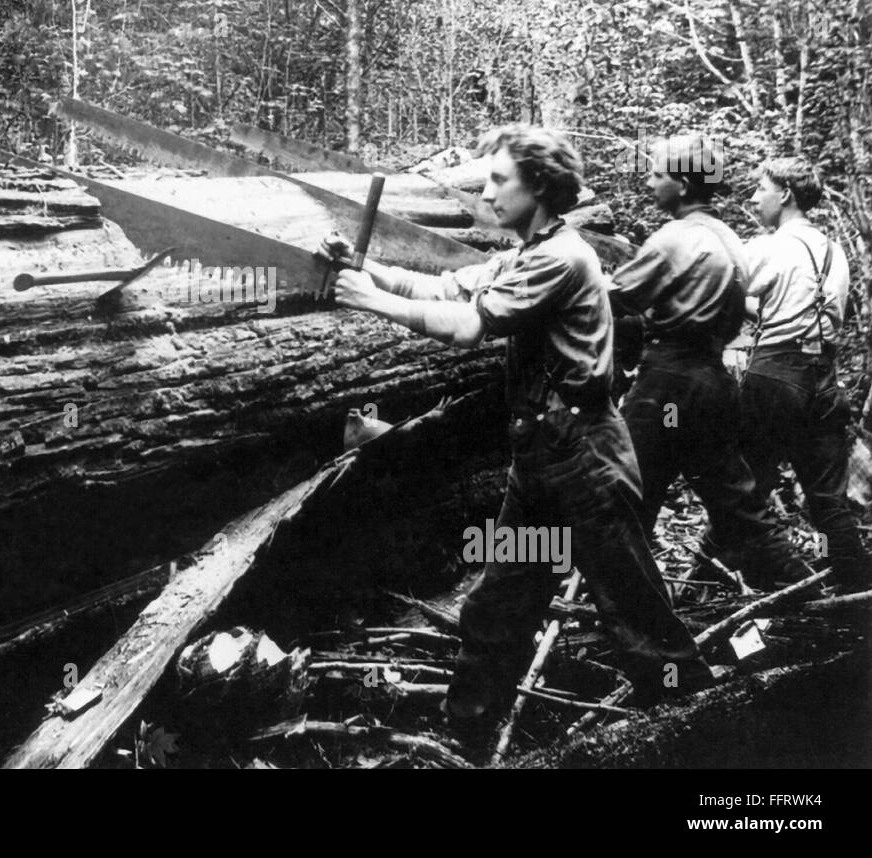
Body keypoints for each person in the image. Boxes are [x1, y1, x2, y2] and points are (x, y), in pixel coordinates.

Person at [322, 124, 712, 740]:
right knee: (496, 606)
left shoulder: (563, 257)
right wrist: (365, 270)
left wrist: (371, 302)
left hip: (587, 468)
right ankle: (465, 735)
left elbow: (467, 327)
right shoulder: (527, 253)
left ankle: (709, 734)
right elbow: (445, 287)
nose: (488, 189)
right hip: (539, 467)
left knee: (636, 617)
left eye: (501, 179)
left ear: (540, 185)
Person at [609, 135, 807, 588]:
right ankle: (812, 592)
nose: (650, 181)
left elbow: (619, 295)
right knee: (739, 503)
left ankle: (637, 616)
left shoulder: (676, 237)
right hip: (712, 382)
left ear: (680, 184)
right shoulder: (729, 237)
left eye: (657, 174)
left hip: (669, 385)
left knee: (629, 493)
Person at [738, 158, 872, 593]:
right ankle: (857, 596)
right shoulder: (834, 252)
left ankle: (782, 579)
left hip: (775, 375)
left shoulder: (767, 247)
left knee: (745, 489)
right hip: (824, 380)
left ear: (786, 194)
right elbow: (812, 309)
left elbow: (721, 289)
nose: (754, 199)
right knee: (829, 500)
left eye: (761, 189)